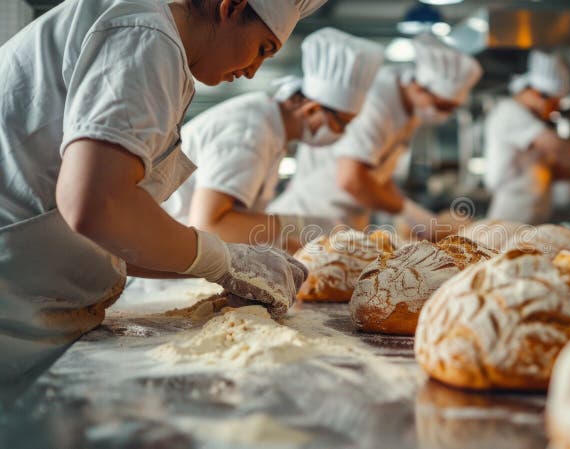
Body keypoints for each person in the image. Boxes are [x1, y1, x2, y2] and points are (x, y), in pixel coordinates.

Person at [0, 0, 325, 402]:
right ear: (231, 7)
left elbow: (105, 233)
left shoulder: (146, 33)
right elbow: (95, 205)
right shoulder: (147, 35)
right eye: (262, 47)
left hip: (25, 307)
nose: (255, 70)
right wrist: (223, 259)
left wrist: (227, 266)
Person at [162, 28, 383, 255]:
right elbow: (211, 225)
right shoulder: (251, 131)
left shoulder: (270, 129)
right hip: (163, 279)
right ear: (311, 109)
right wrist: (293, 229)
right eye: (341, 123)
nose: (342, 133)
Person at [268, 34, 482, 240]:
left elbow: (377, 174)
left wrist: (413, 215)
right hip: (310, 218)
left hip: (344, 223)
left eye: (450, 109)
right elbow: (351, 179)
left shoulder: (410, 113)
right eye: (440, 106)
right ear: (418, 88)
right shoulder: (378, 103)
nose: (443, 115)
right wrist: (415, 215)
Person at [483, 51, 570, 224]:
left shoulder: (529, 120)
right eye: (554, 104)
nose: (553, 111)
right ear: (539, 94)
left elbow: (546, 169)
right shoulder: (509, 112)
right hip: (511, 214)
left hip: (530, 215)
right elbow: (555, 145)